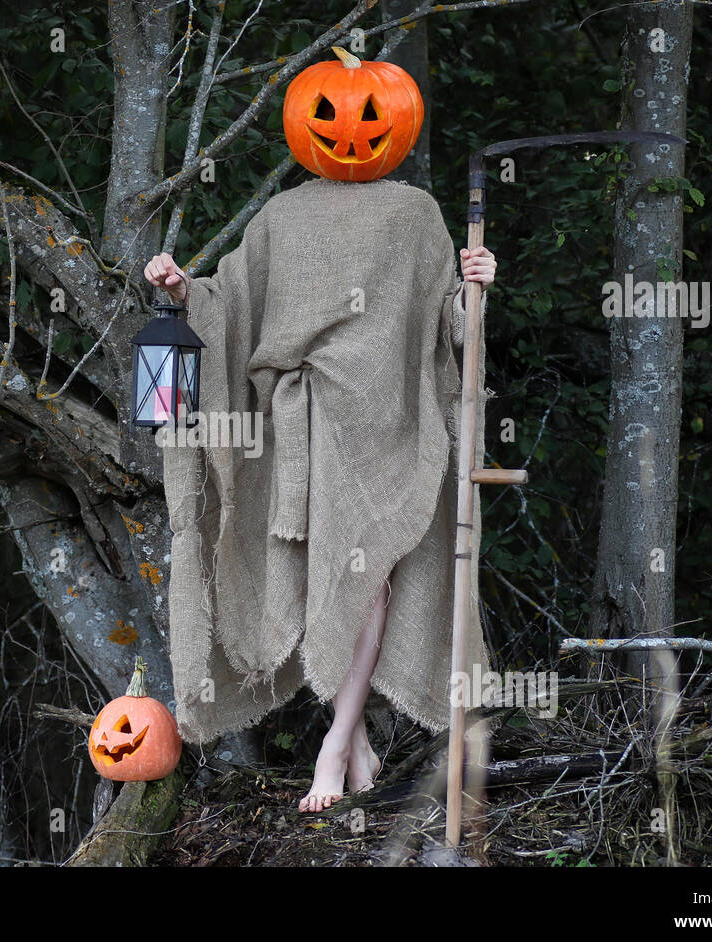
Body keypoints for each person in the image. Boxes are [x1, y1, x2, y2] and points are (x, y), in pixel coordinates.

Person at [144, 239, 496, 812]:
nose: (350, 143)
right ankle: (354, 738)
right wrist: (184, 291)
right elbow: (235, 302)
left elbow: (446, 331)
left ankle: (334, 744)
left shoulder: (411, 217)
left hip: (383, 426)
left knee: (367, 573)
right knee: (309, 573)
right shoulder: (285, 218)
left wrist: (473, 290)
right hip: (291, 431)